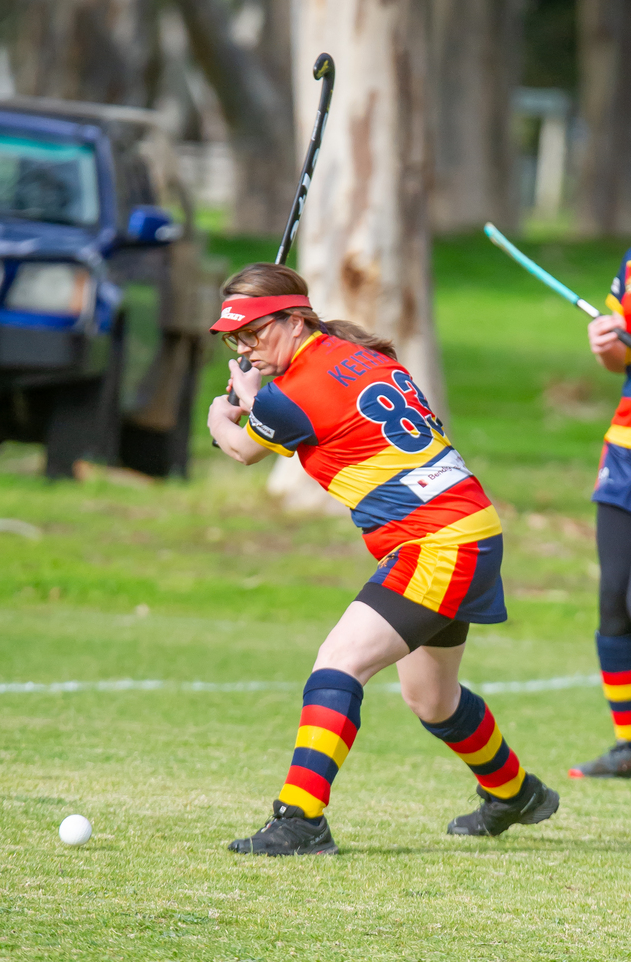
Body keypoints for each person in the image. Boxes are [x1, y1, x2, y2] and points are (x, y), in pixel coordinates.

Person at [208, 263, 559, 855]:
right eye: (234, 338)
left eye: (255, 331)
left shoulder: (291, 394)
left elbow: (243, 449)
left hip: (437, 541)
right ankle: (517, 794)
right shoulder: (356, 353)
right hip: (470, 528)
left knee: (339, 662)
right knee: (432, 699)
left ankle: (300, 821)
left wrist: (227, 410)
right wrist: (259, 394)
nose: (246, 346)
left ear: (295, 321)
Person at [569, 253, 631, 778]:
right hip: (625, 453)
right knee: (614, 599)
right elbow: (619, 362)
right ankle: (628, 744)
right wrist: (608, 346)